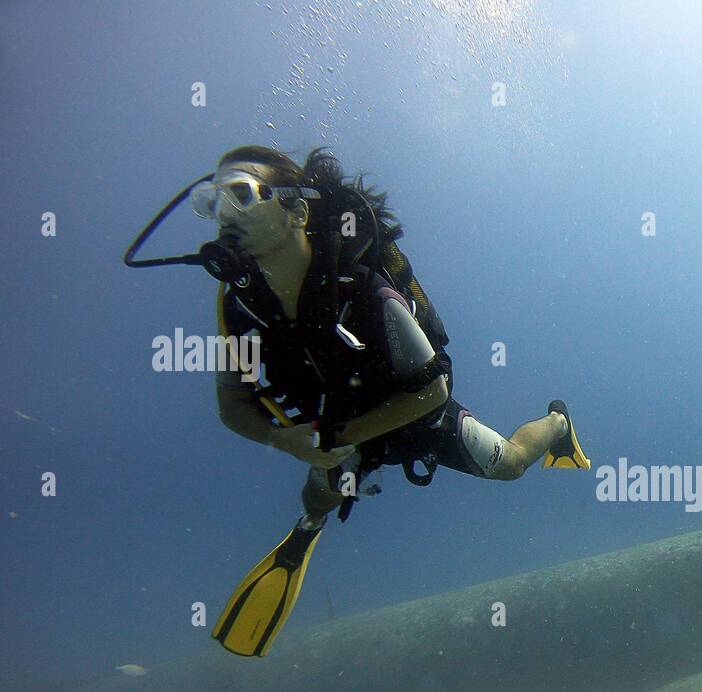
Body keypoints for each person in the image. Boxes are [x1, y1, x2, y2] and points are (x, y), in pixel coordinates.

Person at [127, 145, 589, 655]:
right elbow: (232, 407)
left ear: (296, 211)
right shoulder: (240, 304)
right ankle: (311, 522)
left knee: (512, 464)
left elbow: (434, 390)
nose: (223, 217)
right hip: (334, 429)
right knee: (316, 495)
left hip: (414, 416)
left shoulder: (362, 288)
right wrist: (286, 440)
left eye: (240, 196)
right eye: (210, 202)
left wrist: (333, 440)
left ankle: (557, 423)